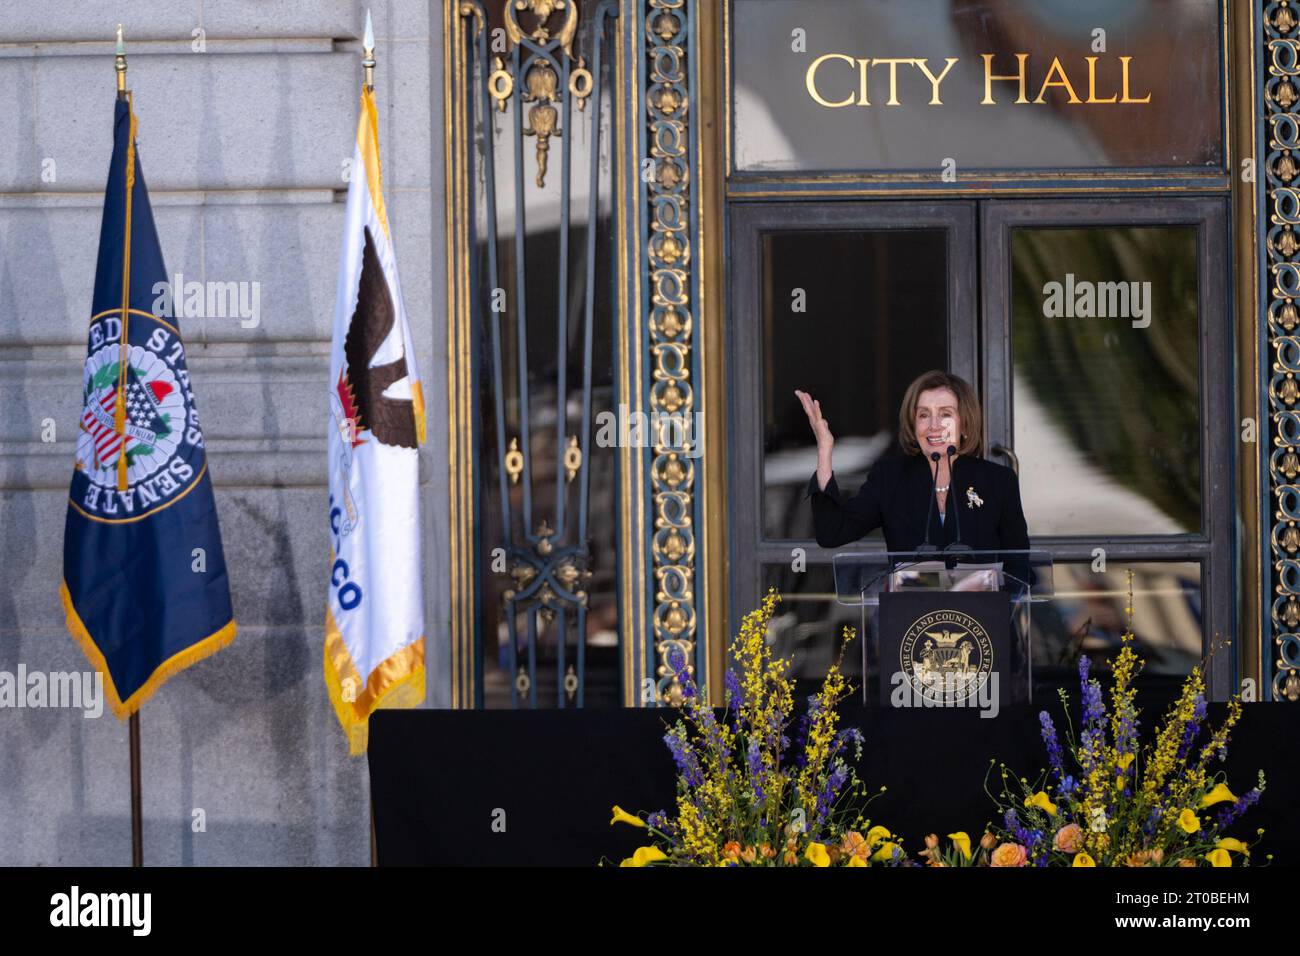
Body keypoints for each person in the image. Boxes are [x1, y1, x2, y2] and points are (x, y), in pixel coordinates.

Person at [795, 370, 1031, 586]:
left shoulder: (997, 480)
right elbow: (832, 533)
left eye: (945, 414)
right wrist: (825, 450)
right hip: (911, 626)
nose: (934, 426)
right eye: (923, 415)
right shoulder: (891, 476)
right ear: (913, 423)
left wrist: (1001, 601)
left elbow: (1019, 567)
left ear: (964, 422)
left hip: (983, 625)